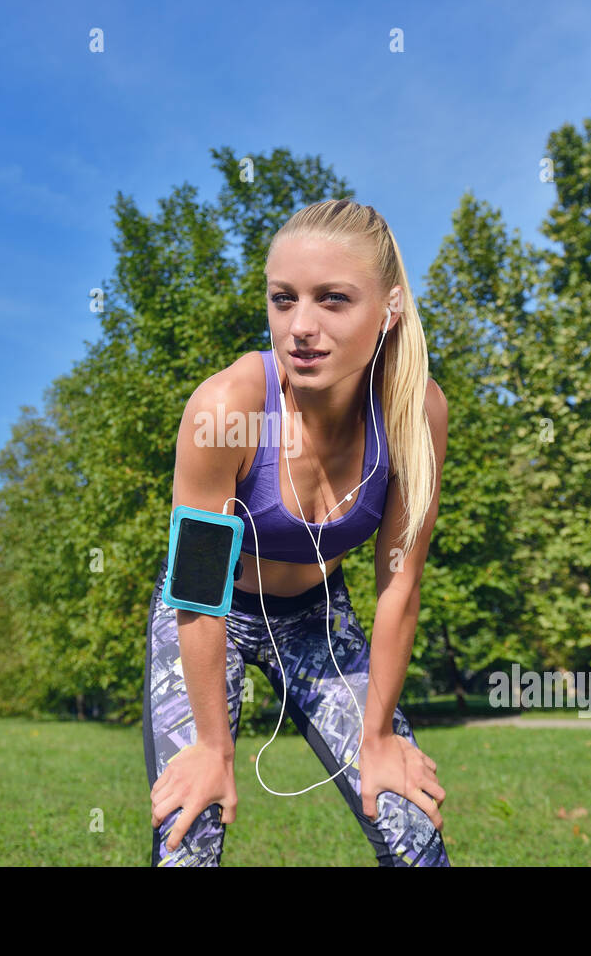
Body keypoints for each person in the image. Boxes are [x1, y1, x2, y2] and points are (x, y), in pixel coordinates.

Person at [143, 198, 450, 866]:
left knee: (414, 831)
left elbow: (401, 582)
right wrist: (214, 749)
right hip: (206, 613)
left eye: (333, 299)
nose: (300, 326)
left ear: (389, 308)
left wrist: (377, 736)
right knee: (188, 838)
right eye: (283, 299)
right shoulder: (224, 407)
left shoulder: (415, 411)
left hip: (317, 621)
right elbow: (197, 590)